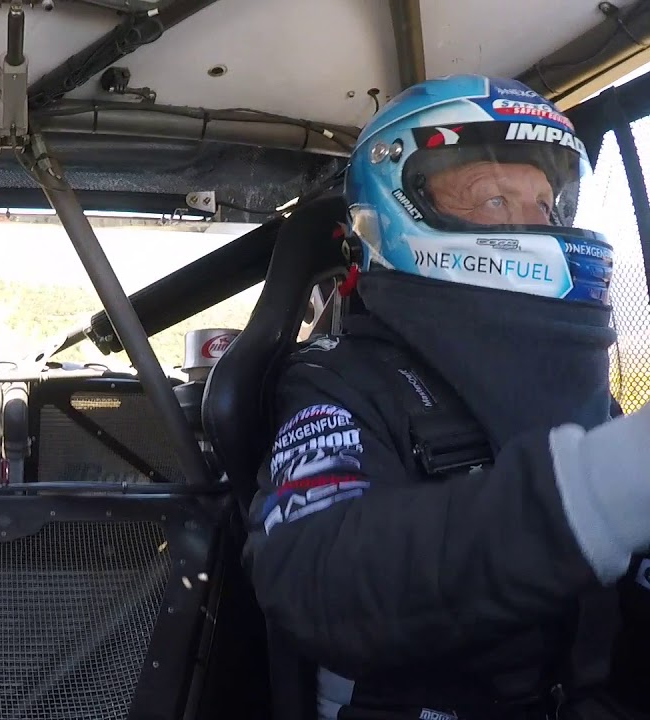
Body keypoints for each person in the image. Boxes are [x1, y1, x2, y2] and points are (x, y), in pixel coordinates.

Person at [245, 73, 650, 719]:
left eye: (544, 203)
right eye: (493, 199)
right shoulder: (338, 378)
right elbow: (314, 574)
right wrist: (606, 486)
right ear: (394, 208)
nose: (533, 223)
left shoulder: (574, 382)